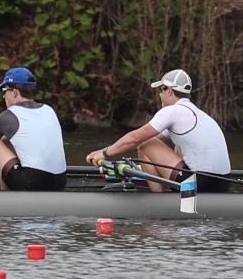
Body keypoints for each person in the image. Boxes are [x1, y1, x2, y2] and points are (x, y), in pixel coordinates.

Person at [85, 68, 233, 192]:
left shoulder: (173, 111)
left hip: (200, 184)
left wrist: (104, 153)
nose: (160, 95)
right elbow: (154, 141)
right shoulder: (198, 114)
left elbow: (136, 139)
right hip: (222, 183)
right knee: (177, 146)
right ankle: (162, 186)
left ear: (169, 91)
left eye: (160, 90)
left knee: (145, 145)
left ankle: (158, 198)